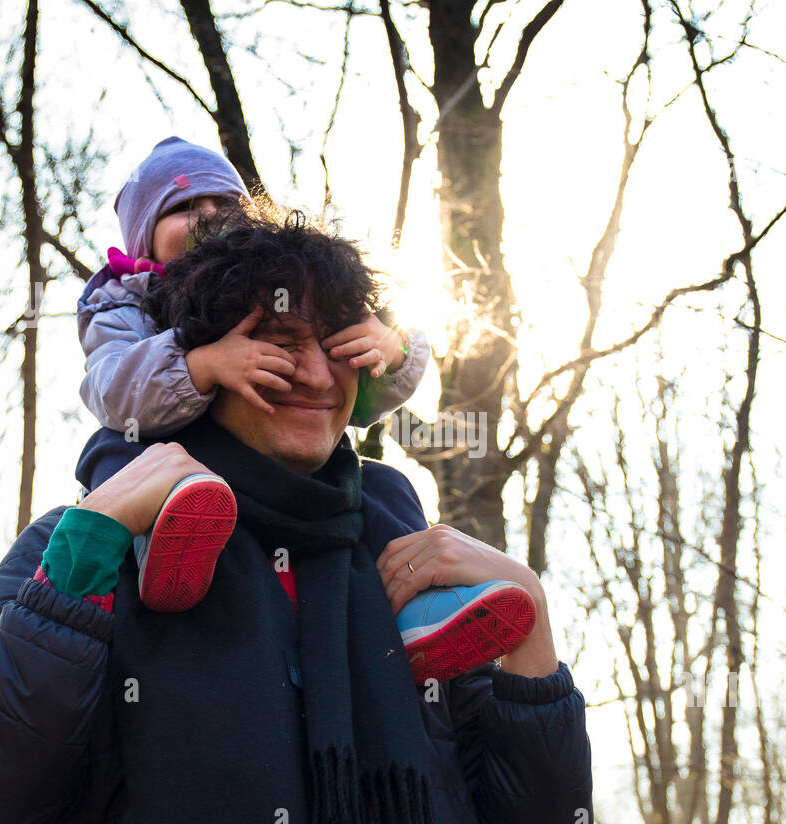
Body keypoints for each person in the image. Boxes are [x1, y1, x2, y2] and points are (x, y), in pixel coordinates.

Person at [0, 211, 593, 824]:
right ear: (206, 362)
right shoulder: (89, 550)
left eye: (337, 345)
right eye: (278, 342)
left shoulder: (417, 572)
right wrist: (83, 555)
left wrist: (530, 629)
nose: (315, 374)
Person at [77, 137, 533, 682]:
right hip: (162, 454)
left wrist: (393, 348)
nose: (206, 216)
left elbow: (358, 391)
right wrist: (203, 363)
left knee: (383, 488)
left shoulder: (284, 282)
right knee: (116, 451)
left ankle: (417, 607)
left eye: (223, 203)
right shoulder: (121, 298)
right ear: (142, 234)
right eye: (181, 207)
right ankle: (162, 550)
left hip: (277, 478)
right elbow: (111, 387)